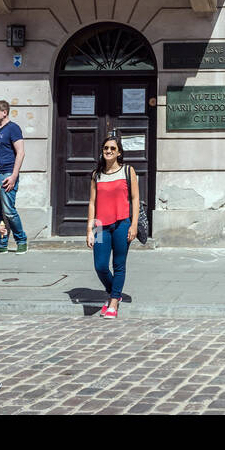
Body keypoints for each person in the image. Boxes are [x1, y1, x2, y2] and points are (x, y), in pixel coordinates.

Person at [85, 134, 139, 319]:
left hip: (122, 223)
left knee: (119, 265)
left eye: (112, 149)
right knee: (100, 266)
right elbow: (92, 203)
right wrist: (89, 230)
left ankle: (114, 300)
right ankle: (114, 292)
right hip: (100, 225)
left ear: (119, 152)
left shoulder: (127, 171)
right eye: (106, 148)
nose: (108, 151)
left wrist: (134, 225)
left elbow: (135, 199)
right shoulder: (96, 174)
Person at [0, 101, 26, 253]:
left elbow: (20, 152)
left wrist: (14, 175)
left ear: (4, 112)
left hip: (6, 173)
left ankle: (21, 240)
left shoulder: (13, 128)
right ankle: (1, 244)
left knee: (8, 210)